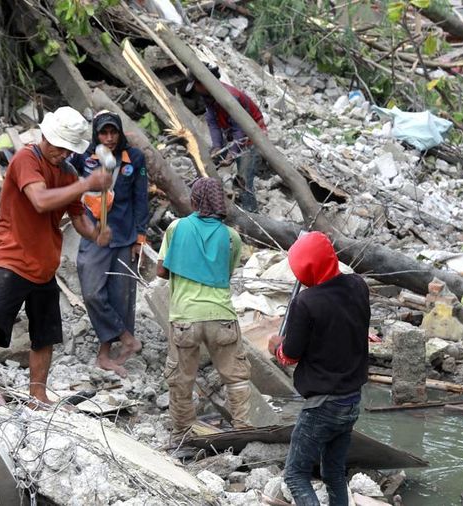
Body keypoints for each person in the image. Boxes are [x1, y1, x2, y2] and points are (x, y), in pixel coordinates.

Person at [0, 107, 112, 407]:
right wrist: (86, 184)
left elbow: (78, 219)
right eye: (60, 148)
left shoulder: (68, 174)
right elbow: (40, 200)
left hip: (45, 265)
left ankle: (38, 396)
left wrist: (96, 232)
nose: (63, 154)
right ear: (46, 136)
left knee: (45, 334)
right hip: (13, 257)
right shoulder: (26, 159)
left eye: (68, 150)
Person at [267, 232, 369, 506]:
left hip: (322, 406)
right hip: (351, 400)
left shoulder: (306, 302)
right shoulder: (358, 285)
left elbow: (290, 356)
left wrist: (276, 347)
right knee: (333, 473)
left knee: (295, 476)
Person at [157, 177, 251, 444]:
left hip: (185, 317)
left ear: (195, 200)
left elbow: (161, 270)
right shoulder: (232, 237)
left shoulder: (176, 228)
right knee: (236, 377)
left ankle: (182, 434)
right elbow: (225, 274)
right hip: (221, 316)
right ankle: (244, 431)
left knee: (181, 379)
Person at [70, 111, 149, 377]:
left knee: (120, 296)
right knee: (93, 292)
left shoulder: (134, 158)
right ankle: (127, 338)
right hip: (94, 234)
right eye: (103, 133)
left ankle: (106, 353)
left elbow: (141, 198)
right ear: (96, 134)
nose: (109, 138)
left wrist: (140, 237)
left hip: (123, 236)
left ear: (120, 132)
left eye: (113, 132)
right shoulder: (84, 157)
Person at [186, 65, 267, 213]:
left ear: (203, 83)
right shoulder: (208, 97)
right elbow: (212, 122)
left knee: (243, 178)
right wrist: (217, 146)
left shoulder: (230, 96)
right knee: (210, 161)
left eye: (196, 85)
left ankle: (251, 212)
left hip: (252, 136)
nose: (195, 89)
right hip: (234, 135)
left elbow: (239, 127)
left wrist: (232, 153)